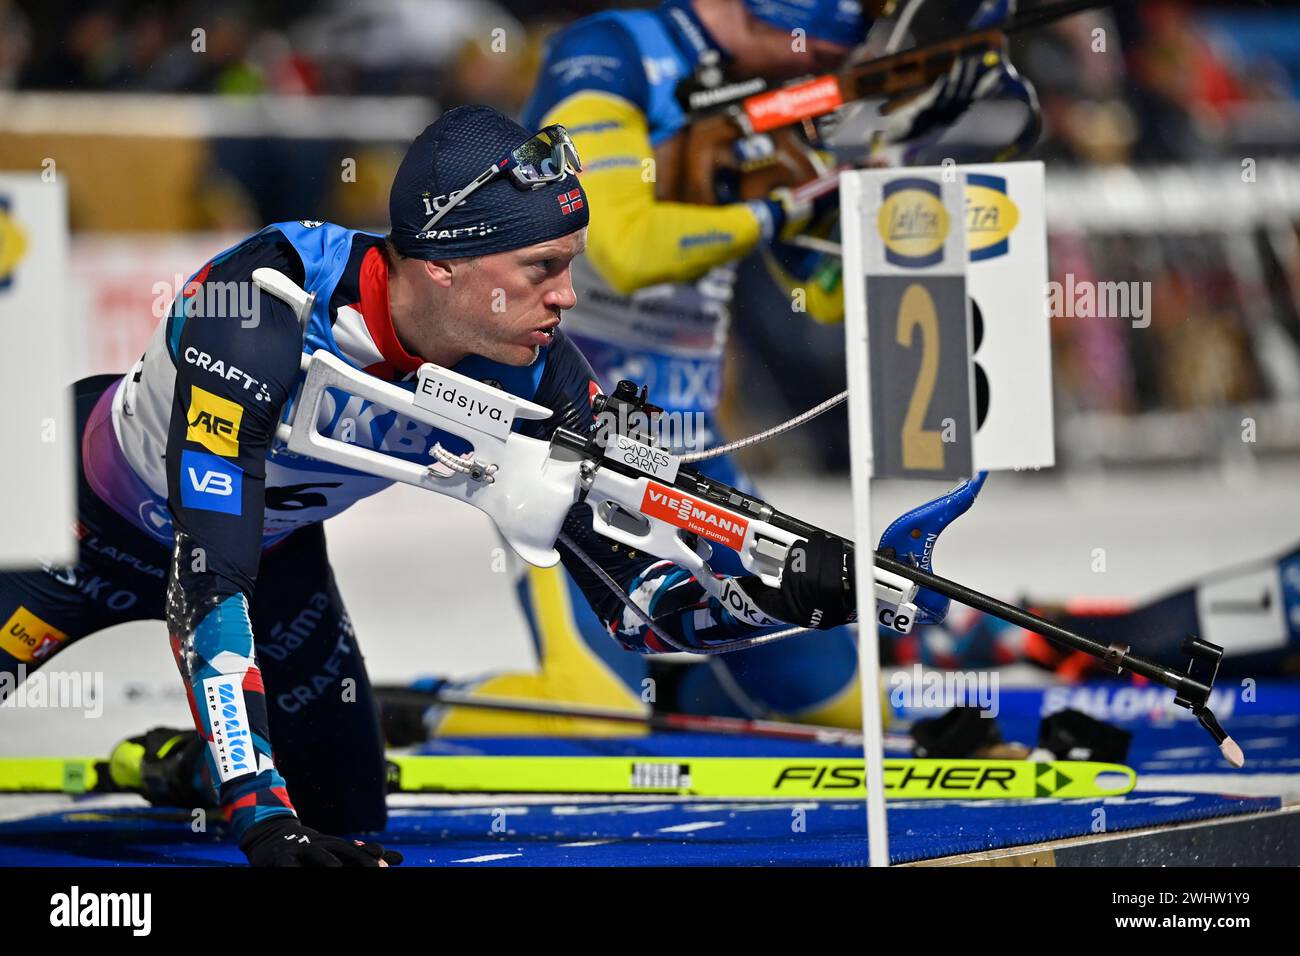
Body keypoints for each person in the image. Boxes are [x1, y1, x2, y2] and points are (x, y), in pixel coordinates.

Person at [0, 105, 857, 866]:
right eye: (541, 269)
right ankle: (208, 773)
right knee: (277, 816)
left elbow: (632, 613)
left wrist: (777, 603)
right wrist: (257, 813)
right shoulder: (260, 299)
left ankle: (174, 765)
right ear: (447, 266)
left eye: (570, 266)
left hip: (272, 556)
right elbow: (206, 577)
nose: (567, 298)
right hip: (75, 530)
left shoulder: (539, 369)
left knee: (350, 822)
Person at [410, 0, 1041, 738]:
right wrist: (781, 203)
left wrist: (891, 172)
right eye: (855, 22)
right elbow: (626, 246)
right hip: (573, 438)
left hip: (691, 443)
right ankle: (416, 712)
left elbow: (828, 295)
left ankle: (689, 689)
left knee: (846, 704)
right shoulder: (614, 50)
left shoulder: (766, 82)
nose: (846, 52)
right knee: (600, 714)